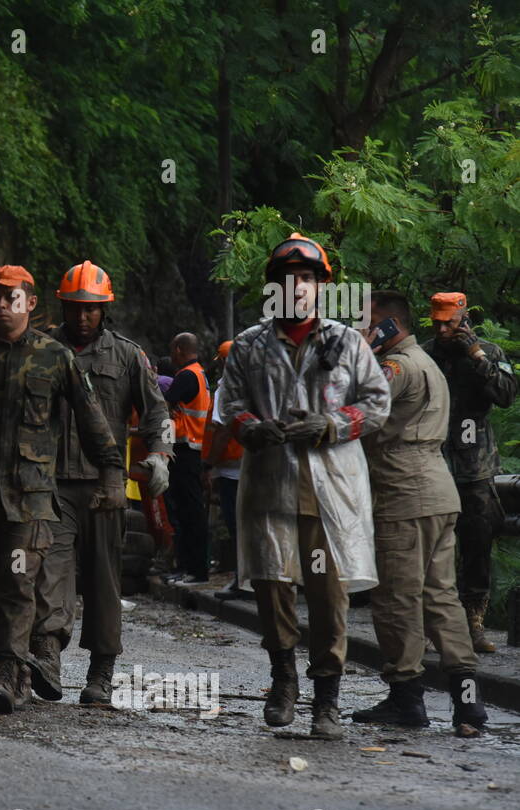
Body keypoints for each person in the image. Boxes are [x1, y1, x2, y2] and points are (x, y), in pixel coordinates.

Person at [0, 265, 124, 714]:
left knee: (17, 581)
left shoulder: (54, 356)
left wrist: (111, 473)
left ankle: (8, 671)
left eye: (12, 297)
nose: (2, 305)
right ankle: (16, 667)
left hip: (29, 501)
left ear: (31, 304)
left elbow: (92, 420)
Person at [221, 233, 389, 740]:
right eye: (289, 278)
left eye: (309, 279)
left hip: (330, 491)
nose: (299, 287)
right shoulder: (249, 345)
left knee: (328, 595)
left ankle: (327, 700)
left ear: (321, 287)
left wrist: (331, 425)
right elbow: (227, 405)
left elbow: (378, 403)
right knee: (272, 586)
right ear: (275, 286)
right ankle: (283, 680)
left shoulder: (348, 343)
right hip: (271, 487)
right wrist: (251, 426)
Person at [30, 260, 171, 704]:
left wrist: (160, 455)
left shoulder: (128, 355)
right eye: (75, 308)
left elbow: (156, 413)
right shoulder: (42, 351)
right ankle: (47, 655)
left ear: (104, 309)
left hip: (105, 487)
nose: (82, 316)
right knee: (50, 573)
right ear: (63, 307)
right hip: (51, 486)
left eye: (91, 309)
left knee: (104, 580)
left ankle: (101, 673)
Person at [355, 291, 488, 733]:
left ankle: (406, 699)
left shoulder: (396, 368)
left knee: (397, 599)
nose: (365, 330)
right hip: (438, 489)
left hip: (403, 492)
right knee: (441, 597)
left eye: (370, 323)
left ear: (391, 324)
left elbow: (359, 414)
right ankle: (469, 705)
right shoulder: (427, 363)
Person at [424, 292, 517, 654]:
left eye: (450, 322)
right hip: (433, 457)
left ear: (464, 319)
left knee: (477, 538)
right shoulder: (426, 353)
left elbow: (507, 395)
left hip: (475, 462)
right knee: (433, 543)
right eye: (437, 322)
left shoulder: (488, 353)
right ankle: (433, 622)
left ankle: (473, 621)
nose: (444, 329)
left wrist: (476, 355)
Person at [161, 332, 210, 583]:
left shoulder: (187, 376)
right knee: (187, 511)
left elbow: (163, 402)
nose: (171, 355)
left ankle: (196, 570)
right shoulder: (198, 374)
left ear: (179, 349)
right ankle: (188, 567)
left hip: (186, 450)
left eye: (172, 349)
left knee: (189, 512)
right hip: (192, 448)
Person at [204, 340, 251, 600]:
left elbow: (221, 431)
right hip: (246, 464)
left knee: (237, 526)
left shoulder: (227, 388)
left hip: (231, 468)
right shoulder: (252, 382)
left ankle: (242, 581)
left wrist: (208, 464)